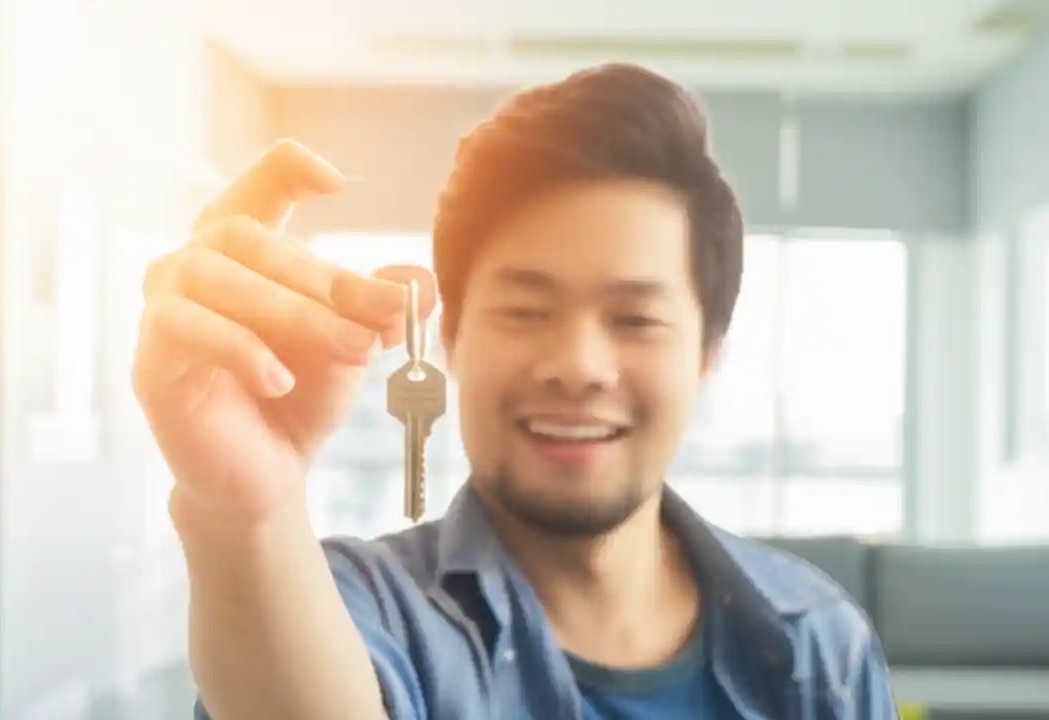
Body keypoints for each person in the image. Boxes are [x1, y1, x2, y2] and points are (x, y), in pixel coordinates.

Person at [133, 62, 897, 720]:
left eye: (634, 318)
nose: (578, 364)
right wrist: (249, 514)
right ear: (452, 338)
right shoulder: (358, 610)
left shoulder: (815, 640)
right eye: (528, 311)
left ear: (707, 354)